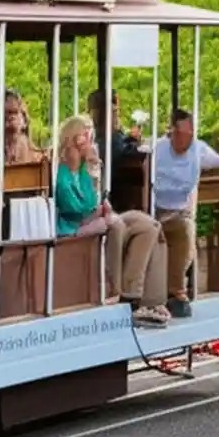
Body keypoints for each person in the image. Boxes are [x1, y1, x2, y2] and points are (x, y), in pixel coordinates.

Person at [53, 115, 169, 326]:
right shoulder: (62, 171)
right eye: (84, 133)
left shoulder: (85, 167)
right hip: (73, 225)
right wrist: (98, 208)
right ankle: (114, 289)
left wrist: (93, 170)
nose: (89, 138)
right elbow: (75, 208)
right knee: (115, 224)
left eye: (90, 132)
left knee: (148, 225)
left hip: (97, 215)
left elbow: (96, 200)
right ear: (72, 138)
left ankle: (135, 293)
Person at [151, 108, 219, 318]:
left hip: (180, 212)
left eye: (190, 134)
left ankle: (177, 292)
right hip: (155, 208)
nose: (186, 139)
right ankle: (153, 294)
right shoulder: (157, 148)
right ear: (171, 132)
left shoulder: (199, 150)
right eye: (181, 134)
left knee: (185, 232)